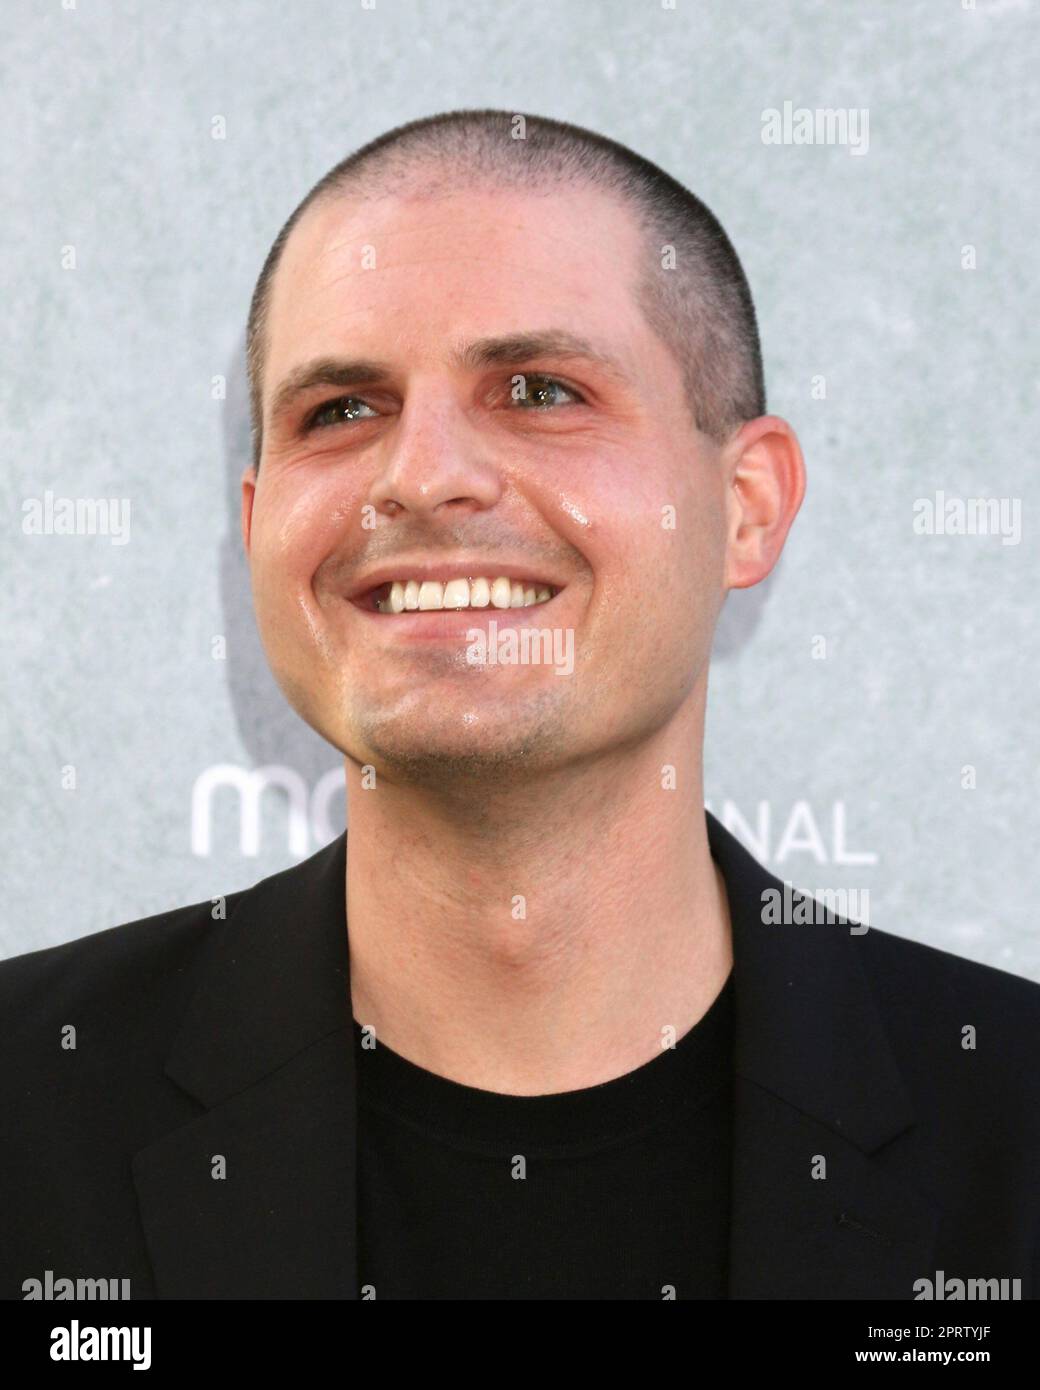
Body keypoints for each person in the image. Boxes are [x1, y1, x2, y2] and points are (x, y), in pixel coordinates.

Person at [3, 109, 1038, 1301]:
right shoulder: (24, 1113)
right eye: (340, 411)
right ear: (254, 529)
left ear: (745, 505)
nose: (421, 473)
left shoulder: (1011, 1128)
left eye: (539, 389)